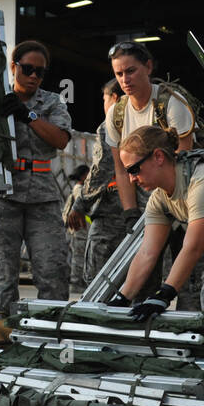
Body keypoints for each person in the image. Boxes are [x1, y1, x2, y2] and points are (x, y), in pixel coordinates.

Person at [107, 126, 204, 323]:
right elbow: (147, 253)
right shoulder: (159, 199)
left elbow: (194, 247)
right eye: (127, 172)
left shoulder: (203, 180)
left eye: (134, 169)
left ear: (158, 157)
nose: (131, 178)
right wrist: (122, 299)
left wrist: (164, 294)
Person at [0, 41, 73, 318]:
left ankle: (51, 337)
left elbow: (61, 140)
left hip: (42, 197)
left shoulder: (52, 102)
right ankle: (1, 338)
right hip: (2, 195)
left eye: (40, 72)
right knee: (2, 279)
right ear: (13, 67)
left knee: (53, 272)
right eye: (28, 69)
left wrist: (29, 115)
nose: (34, 76)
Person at [105, 43, 204, 309]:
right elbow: (121, 168)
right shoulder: (116, 114)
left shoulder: (171, 104)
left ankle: (189, 334)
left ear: (148, 67)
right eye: (119, 74)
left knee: (188, 275)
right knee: (143, 271)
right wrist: (130, 210)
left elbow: (182, 161)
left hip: (185, 195)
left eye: (131, 71)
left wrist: (175, 211)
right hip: (146, 198)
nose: (125, 80)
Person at [77, 79, 132, 286]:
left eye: (104, 98)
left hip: (111, 213)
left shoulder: (110, 123)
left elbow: (101, 169)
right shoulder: (145, 118)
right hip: (143, 213)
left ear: (114, 98)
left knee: (97, 280)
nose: (104, 103)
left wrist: (79, 204)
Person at [61, 165, 90, 294]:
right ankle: (76, 283)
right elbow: (81, 206)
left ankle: (78, 282)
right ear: (84, 175)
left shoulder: (80, 188)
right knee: (78, 256)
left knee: (80, 255)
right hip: (79, 228)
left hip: (81, 228)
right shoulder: (79, 189)